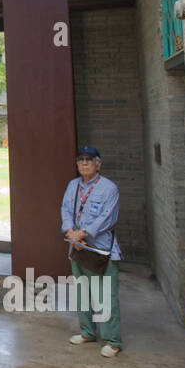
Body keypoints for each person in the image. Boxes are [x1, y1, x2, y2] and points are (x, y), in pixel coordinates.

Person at [60, 145, 122, 357]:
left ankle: (112, 340)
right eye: (81, 160)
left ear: (98, 163)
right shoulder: (73, 186)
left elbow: (107, 217)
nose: (84, 163)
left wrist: (83, 233)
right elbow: (66, 209)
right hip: (77, 248)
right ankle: (87, 331)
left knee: (104, 295)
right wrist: (70, 230)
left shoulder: (109, 188)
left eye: (89, 159)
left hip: (100, 249)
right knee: (82, 293)